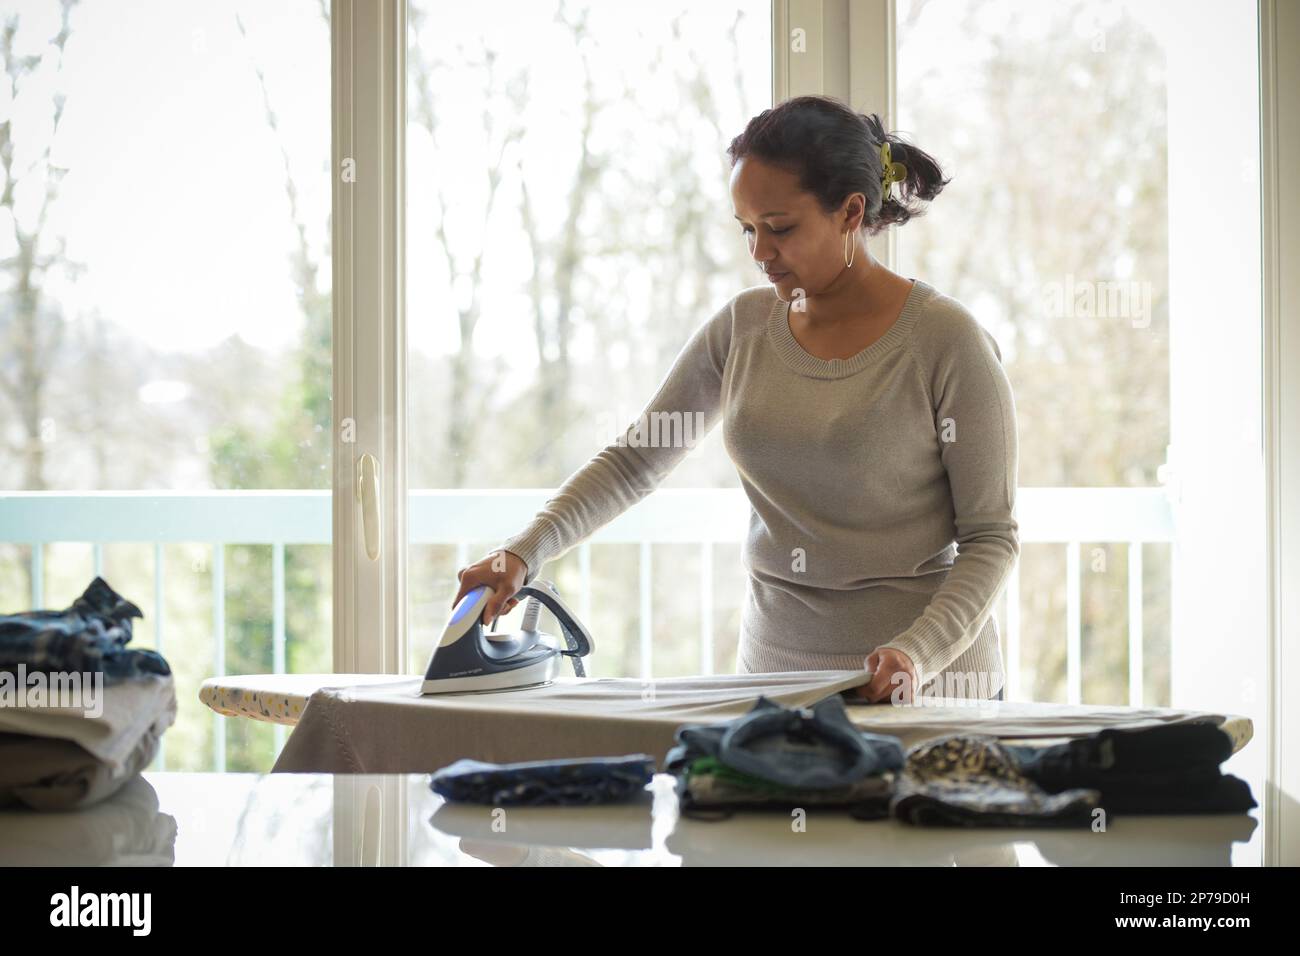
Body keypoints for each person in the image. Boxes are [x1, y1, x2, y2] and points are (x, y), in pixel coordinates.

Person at [453, 95, 1018, 705]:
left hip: (926, 688)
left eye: (780, 229)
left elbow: (991, 537)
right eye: (748, 229)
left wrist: (918, 652)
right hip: (773, 681)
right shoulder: (743, 328)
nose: (759, 252)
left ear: (851, 212)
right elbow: (636, 460)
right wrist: (523, 553)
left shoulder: (946, 341)